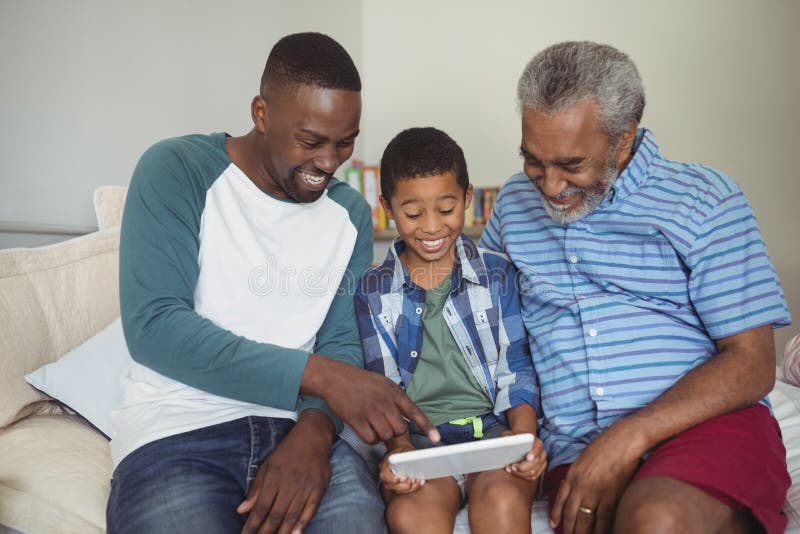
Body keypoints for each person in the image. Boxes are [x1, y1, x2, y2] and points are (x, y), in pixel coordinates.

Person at [107, 32, 438, 534]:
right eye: (310, 141)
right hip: (177, 432)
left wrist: (313, 432)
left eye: (344, 141)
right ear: (261, 113)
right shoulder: (177, 170)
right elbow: (155, 327)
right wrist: (324, 377)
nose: (329, 163)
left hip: (302, 430)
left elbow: (341, 342)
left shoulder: (348, 212)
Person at [479, 41, 792, 534]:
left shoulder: (706, 200)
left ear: (624, 140)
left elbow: (752, 364)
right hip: (575, 446)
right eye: (534, 161)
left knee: (656, 519)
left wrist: (627, 437)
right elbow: (483, 322)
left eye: (572, 165)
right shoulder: (513, 206)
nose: (550, 186)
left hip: (706, 429)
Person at [354, 127, 547, 533]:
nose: (430, 227)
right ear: (386, 206)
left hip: (493, 436)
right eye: (412, 213)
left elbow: (516, 368)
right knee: (410, 515)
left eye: (445, 209)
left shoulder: (498, 275)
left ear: (466, 197)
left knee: (502, 500)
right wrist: (399, 453)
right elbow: (383, 387)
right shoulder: (372, 292)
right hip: (420, 445)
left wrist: (523, 439)